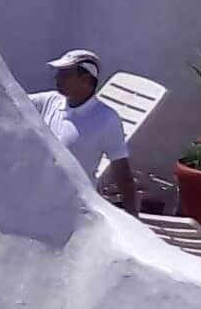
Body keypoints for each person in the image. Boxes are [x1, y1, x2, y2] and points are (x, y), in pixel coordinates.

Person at [41, 48, 135, 205]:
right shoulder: (49, 101)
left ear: (86, 80)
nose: (57, 78)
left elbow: (121, 170)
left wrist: (132, 212)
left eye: (65, 74)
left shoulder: (106, 119)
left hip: (75, 204)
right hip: (40, 197)